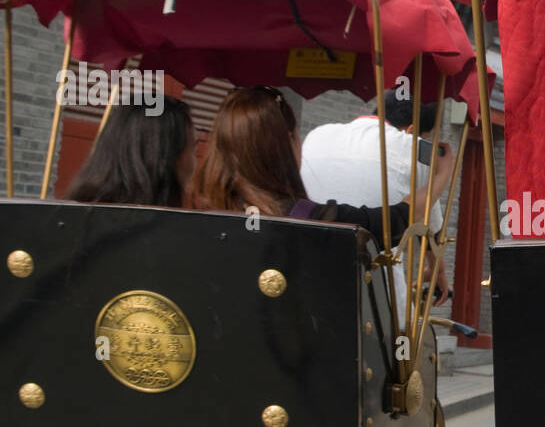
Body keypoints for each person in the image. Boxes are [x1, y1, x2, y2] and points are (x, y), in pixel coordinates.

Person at [194, 86, 449, 246]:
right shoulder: (308, 219)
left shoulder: (194, 213)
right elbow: (390, 223)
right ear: (286, 144)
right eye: (295, 137)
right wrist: (443, 174)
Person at [302, 91, 453, 305]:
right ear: (411, 131)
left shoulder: (317, 134)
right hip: (374, 293)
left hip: (305, 271)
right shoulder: (413, 147)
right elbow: (428, 228)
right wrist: (437, 271)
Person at [67, 98, 195, 207]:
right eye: (192, 148)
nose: (195, 163)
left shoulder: (71, 220)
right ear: (167, 158)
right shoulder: (174, 231)